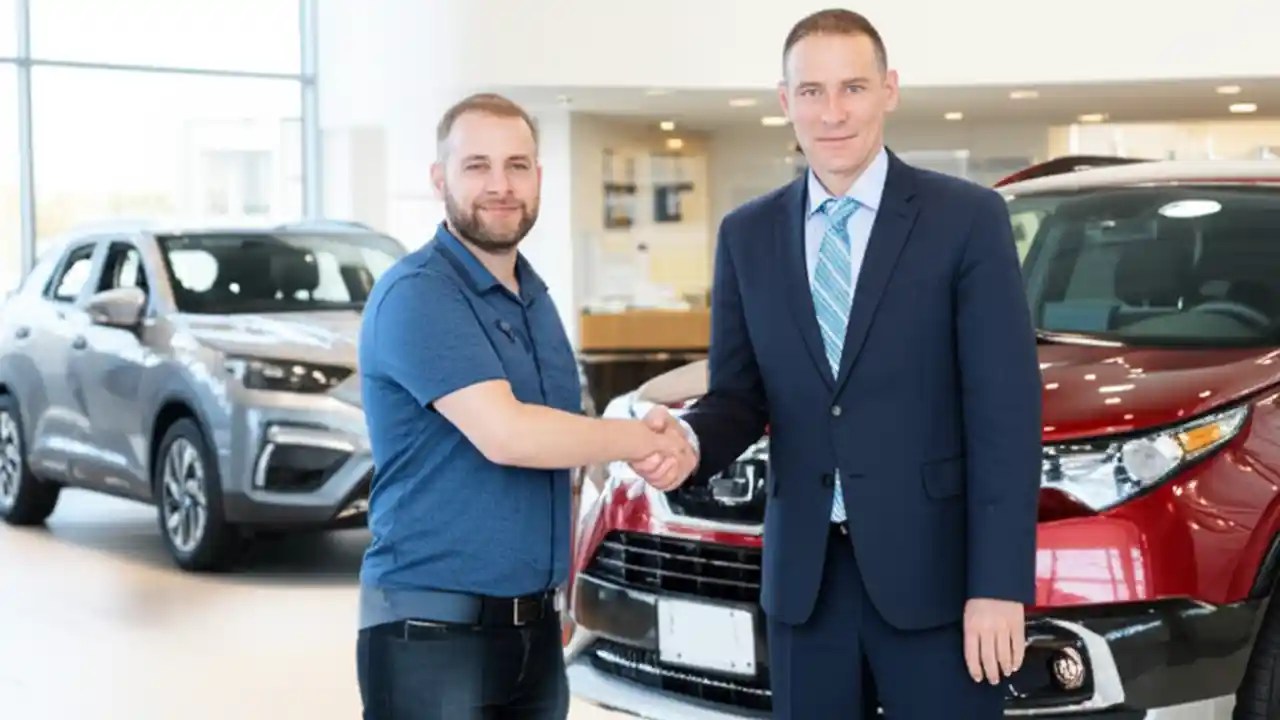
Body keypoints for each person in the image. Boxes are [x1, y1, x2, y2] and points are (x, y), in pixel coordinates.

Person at [631, 9, 1043, 719]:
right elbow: (737, 394)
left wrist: (998, 584)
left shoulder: (966, 219)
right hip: (806, 586)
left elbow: (1004, 413)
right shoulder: (747, 235)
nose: (832, 112)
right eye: (812, 91)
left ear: (889, 89)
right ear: (784, 101)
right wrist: (693, 442)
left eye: (852, 88)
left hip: (936, 580)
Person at [355, 92, 694, 720]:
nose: (500, 185)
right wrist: (643, 440)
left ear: (539, 177)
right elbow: (509, 436)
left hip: (533, 631)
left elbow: (560, 462)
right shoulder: (418, 293)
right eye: (477, 165)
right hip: (433, 633)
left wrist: (563, 590)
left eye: (517, 165)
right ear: (440, 180)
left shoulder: (533, 298)